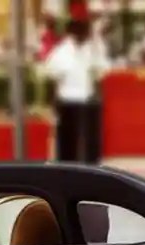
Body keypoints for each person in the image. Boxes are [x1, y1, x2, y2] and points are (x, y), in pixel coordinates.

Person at [42, 17, 110, 164]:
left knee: (92, 143)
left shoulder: (92, 49)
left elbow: (101, 71)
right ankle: (68, 171)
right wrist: (52, 104)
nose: (86, 35)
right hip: (68, 102)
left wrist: (99, 98)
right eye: (83, 32)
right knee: (67, 144)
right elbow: (52, 78)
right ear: (73, 33)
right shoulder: (62, 52)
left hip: (88, 102)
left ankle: (93, 171)